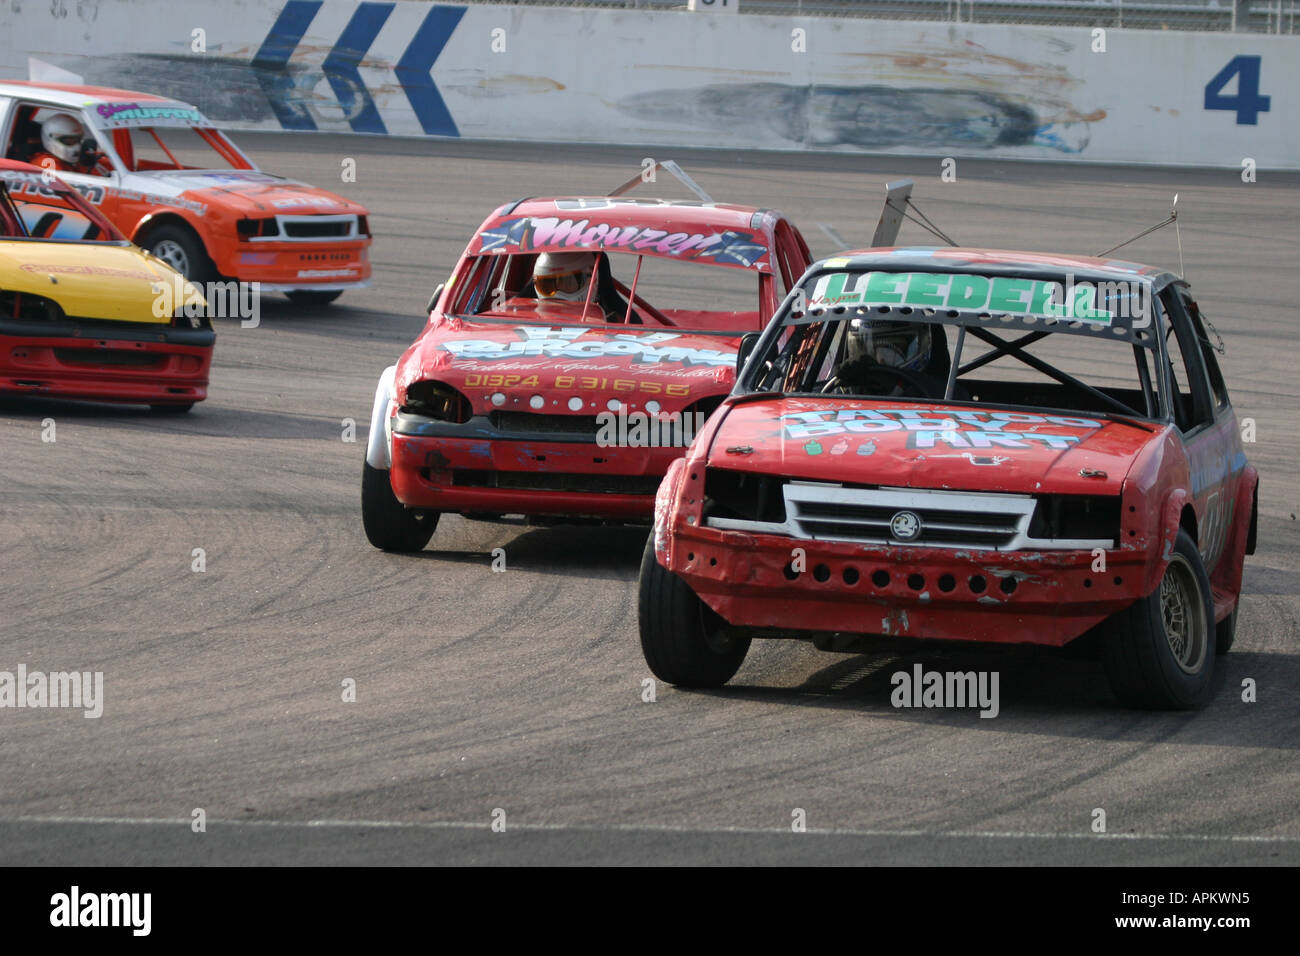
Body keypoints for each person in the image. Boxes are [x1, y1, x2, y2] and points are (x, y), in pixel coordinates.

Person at [531, 251, 627, 321]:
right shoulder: (522, 316)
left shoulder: (615, 322)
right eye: (547, 285)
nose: (557, 295)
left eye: (567, 283)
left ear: (592, 280)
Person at [29, 113, 110, 176]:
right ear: (51, 139)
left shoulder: (80, 159)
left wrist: (90, 163)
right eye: (70, 141)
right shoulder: (45, 163)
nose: (77, 146)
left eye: (77, 140)